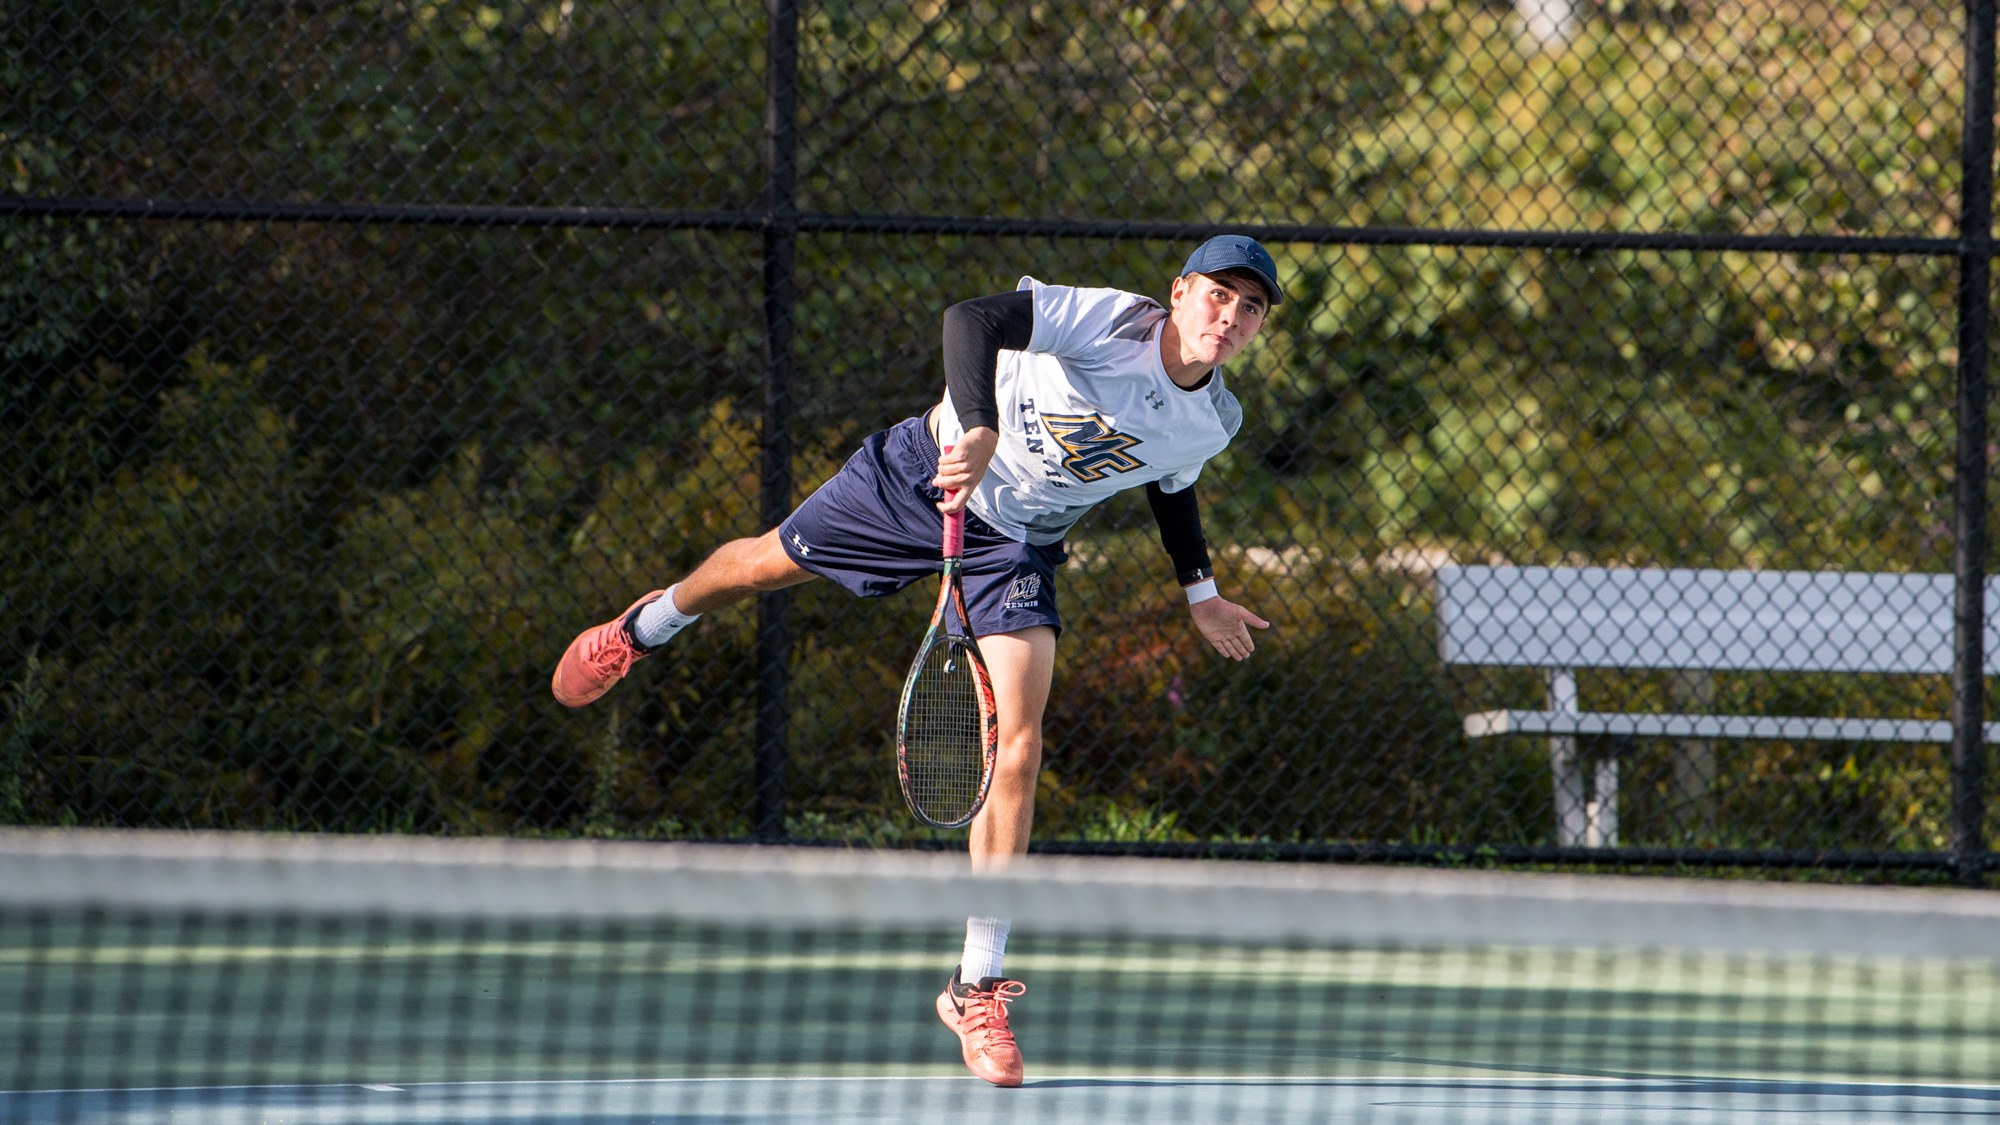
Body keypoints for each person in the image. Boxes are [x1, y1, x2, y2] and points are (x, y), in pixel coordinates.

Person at [551, 234, 1281, 1087]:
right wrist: (977, 428)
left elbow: (1170, 476)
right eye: (1218, 297)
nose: (1229, 318)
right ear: (1180, 291)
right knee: (760, 565)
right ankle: (650, 624)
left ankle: (976, 983)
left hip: (1012, 547)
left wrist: (1201, 591)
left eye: (1251, 308)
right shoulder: (1111, 320)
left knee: (1018, 743)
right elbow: (970, 319)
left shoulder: (1216, 418)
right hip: (920, 480)